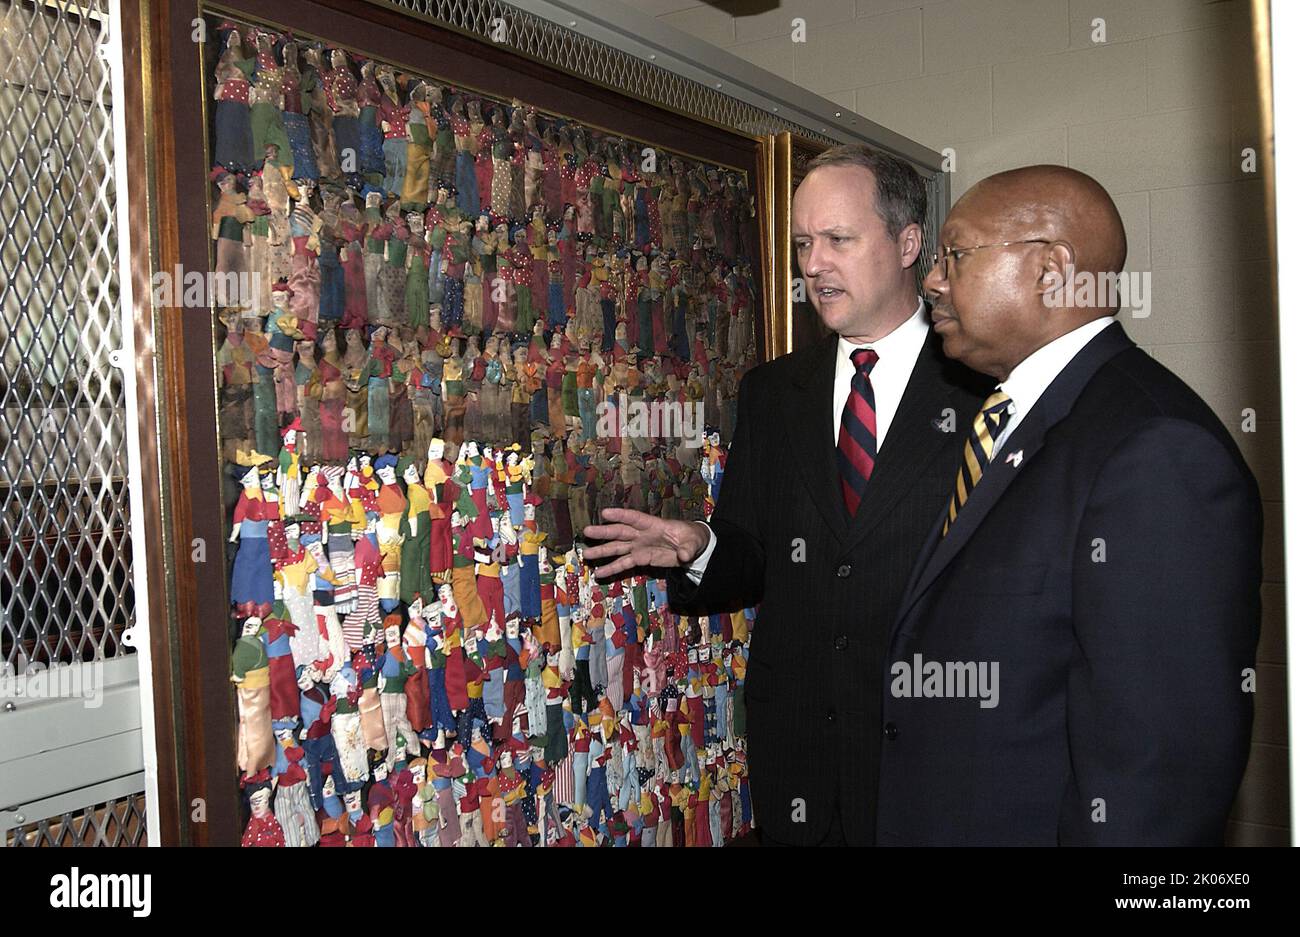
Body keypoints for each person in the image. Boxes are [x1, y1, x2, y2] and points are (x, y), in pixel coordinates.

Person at [582, 145, 989, 845]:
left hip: (933, 765)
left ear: (908, 242)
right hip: (799, 768)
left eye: (839, 239)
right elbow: (751, 555)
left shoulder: (982, 390)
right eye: (804, 243)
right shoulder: (773, 393)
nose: (814, 263)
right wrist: (699, 545)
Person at [875, 164, 1261, 845]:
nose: (932, 281)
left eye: (955, 255)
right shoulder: (1011, 418)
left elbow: (1156, 780)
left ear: (1051, 269)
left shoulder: (1154, 449)